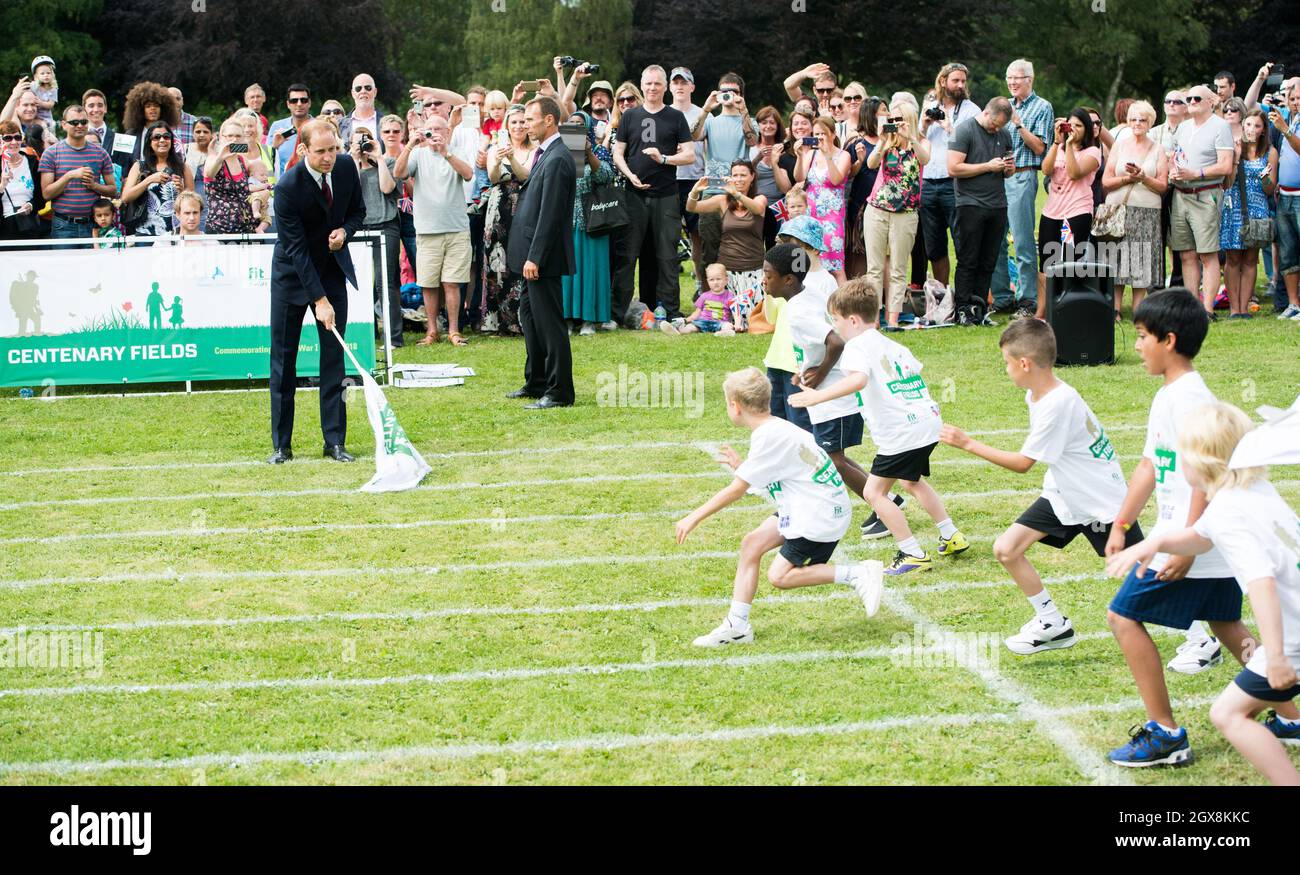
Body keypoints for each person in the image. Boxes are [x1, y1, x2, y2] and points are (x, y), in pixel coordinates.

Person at [1098, 291, 1275, 765]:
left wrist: (1188, 546)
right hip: (1197, 539)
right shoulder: (1170, 394)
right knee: (1226, 623)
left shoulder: (1190, 398)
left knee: (1121, 616)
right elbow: (1150, 465)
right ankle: (1291, 716)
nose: (1135, 346)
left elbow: (1206, 475)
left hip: (1190, 540)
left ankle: (1166, 732)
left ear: (1169, 340)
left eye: (1141, 336)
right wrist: (1123, 521)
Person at [1107, 401, 1300, 785]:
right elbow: (1199, 538)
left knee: (1227, 715)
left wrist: (1276, 657)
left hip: (1294, 638)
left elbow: (1261, 584)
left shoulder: (1229, 511)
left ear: (1201, 462)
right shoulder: (1248, 489)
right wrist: (1149, 545)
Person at [941, 318, 1135, 655]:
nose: (1006, 370)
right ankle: (1052, 622)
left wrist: (968, 443)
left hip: (1099, 502)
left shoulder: (1056, 404)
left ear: (1024, 363)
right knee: (1006, 549)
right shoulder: (1038, 394)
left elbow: (1023, 464)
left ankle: (1200, 639)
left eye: (1006, 363)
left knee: (1142, 573)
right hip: (1064, 496)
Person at [674, 366, 883, 647]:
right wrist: (743, 467)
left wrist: (693, 517)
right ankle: (737, 626)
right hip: (810, 506)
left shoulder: (768, 436)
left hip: (818, 516)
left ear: (735, 406)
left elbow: (737, 489)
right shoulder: (775, 429)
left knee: (780, 576)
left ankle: (858, 573)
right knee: (752, 544)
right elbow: (778, 474)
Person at [790, 278, 968, 576]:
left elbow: (858, 380)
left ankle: (911, 552)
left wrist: (818, 396)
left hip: (902, 433)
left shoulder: (856, 346)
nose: (835, 327)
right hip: (927, 422)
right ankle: (950, 534)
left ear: (853, 320)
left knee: (874, 493)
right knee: (911, 481)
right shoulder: (893, 344)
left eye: (835, 320)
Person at [268, 119, 366, 465]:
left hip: (332, 271)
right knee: (284, 360)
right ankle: (282, 445)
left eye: (333, 149)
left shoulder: (345, 168)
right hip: (292, 277)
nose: (329, 157)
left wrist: (345, 232)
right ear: (303, 150)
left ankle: (335, 442)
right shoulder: (288, 187)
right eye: (321, 151)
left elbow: (358, 212)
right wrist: (319, 300)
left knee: (333, 359)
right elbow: (296, 250)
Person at [505, 96, 576, 409]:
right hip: (530, 256)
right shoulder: (546, 154)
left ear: (549, 120)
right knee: (531, 321)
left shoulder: (559, 157)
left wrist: (535, 257)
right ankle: (536, 381)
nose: (526, 125)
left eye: (531, 119)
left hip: (543, 259)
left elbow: (551, 214)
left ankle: (559, 391)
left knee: (550, 324)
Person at [612, 65, 695, 322]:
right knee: (627, 255)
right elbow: (618, 153)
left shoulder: (675, 117)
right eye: (648, 83)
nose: (652, 88)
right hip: (633, 195)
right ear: (642, 84)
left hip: (666, 195)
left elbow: (689, 155)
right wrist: (629, 174)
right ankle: (618, 312)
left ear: (665, 86)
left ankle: (671, 311)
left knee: (668, 255)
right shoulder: (630, 116)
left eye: (657, 84)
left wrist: (664, 158)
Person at [394, 113, 473, 346]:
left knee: (451, 283)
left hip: (456, 228)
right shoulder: (417, 154)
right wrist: (410, 143)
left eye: (439, 129)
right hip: (427, 229)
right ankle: (432, 331)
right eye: (430, 129)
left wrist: (445, 152)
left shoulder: (454, 152)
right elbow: (398, 173)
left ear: (447, 132)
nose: (434, 133)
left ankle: (454, 330)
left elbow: (468, 174)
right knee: (428, 283)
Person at [988, 60, 1052, 315]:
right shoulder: (1003, 105)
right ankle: (1002, 297)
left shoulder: (1042, 107)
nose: (1012, 83)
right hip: (998, 177)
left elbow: (1040, 148)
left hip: (1023, 177)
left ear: (1030, 79)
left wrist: (1017, 123)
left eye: (1018, 78)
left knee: (1023, 242)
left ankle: (1027, 301)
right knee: (996, 240)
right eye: (1009, 78)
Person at [1170, 85, 1235, 317]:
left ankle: (1207, 308)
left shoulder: (1221, 126)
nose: (1192, 101)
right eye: (1188, 98)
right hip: (1181, 195)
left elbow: (1226, 166)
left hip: (1206, 193)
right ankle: (1192, 307)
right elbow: (1176, 155)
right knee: (1186, 254)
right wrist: (1173, 170)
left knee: (1208, 255)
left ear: (1211, 101)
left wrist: (1195, 173)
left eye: (1197, 98)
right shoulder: (1184, 127)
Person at [1098, 101, 1168, 319]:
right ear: (1127, 121)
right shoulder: (1119, 145)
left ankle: (1139, 309)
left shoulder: (1158, 149)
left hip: (1147, 211)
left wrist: (1143, 178)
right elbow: (1106, 181)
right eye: (1133, 119)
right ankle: (1115, 309)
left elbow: (1163, 186)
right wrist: (1128, 178)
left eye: (1142, 120)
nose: (1137, 123)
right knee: (1116, 258)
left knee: (1142, 260)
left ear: (1150, 123)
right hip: (1117, 209)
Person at [948, 97, 1015, 325]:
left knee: (989, 260)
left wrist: (1008, 169)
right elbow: (953, 168)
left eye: (1000, 126)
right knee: (968, 259)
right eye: (994, 124)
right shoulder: (964, 130)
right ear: (987, 113)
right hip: (970, 203)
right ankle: (963, 308)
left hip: (997, 203)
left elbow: (1008, 171)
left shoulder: (1004, 134)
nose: (996, 129)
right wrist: (987, 166)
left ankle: (980, 307)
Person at [1032, 107, 1102, 320]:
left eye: (1079, 126)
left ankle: (1066, 307)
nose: (1074, 129)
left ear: (1087, 129)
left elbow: (1074, 173)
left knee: (1070, 260)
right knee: (1045, 262)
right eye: (1071, 125)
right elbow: (1046, 170)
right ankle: (1042, 311)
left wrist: (1070, 145)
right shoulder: (1059, 147)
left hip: (1077, 211)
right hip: (1052, 211)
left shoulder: (1093, 152)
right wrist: (1056, 143)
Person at [865, 100, 930, 328]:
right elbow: (871, 164)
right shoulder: (886, 143)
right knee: (874, 268)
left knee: (898, 268)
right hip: (877, 209)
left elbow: (925, 160)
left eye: (899, 119)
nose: (895, 124)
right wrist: (883, 141)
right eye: (892, 119)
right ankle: (873, 320)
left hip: (906, 212)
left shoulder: (920, 142)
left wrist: (910, 137)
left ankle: (893, 319)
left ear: (910, 120)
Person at [684, 158, 767, 329]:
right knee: (724, 319)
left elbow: (757, 209)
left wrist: (737, 194)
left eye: (743, 175)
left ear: (752, 176)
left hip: (753, 271)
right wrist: (695, 190)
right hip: (728, 271)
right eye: (735, 175)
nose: (738, 179)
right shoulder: (722, 200)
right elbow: (692, 207)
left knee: (753, 321)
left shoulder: (760, 199)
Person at [691, 72, 759, 269]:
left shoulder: (748, 120)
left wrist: (743, 109)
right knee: (709, 250)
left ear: (741, 94)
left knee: (740, 248)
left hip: (740, 193)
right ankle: (710, 297)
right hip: (712, 191)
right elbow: (693, 135)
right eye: (724, 91)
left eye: (733, 91)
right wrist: (706, 108)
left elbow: (752, 140)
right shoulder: (710, 121)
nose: (729, 95)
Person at [921, 64, 980, 291]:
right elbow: (919, 140)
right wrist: (925, 124)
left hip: (954, 182)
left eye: (963, 81)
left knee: (961, 240)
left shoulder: (971, 110)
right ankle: (942, 293)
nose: (961, 85)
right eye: (956, 80)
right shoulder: (930, 105)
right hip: (929, 181)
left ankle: (965, 293)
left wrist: (949, 127)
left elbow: (973, 144)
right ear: (943, 81)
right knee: (934, 244)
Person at [562, 110, 615, 335]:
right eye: (571, 124)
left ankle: (589, 320)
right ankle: (566, 318)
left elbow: (605, 176)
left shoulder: (598, 150)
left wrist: (588, 152)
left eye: (580, 124)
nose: (575, 126)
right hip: (565, 221)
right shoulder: (559, 151)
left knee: (591, 269)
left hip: (592, 220)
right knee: (566, 272)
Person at [1221, 108, 1278, 318]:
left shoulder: (1270, 152)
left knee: (1251, 259)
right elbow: (1227, 183)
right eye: (1248, 125)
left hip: (1258, 209)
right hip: (1235, 207)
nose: (1251, 129)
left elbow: (1270, 189)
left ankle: (1244, 308)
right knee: (1233, 258)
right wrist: (1235, 158)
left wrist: (1265, 178)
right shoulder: (1235, 148)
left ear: (1263, 130)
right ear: (1242, 126)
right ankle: (1233, 308)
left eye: (1257, 126)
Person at [481, 104, 532, 336]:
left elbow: (525, 176)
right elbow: (493, 178)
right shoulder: (495, 147)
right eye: (514, 122)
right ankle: (497, 321)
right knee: (496, 262)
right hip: (499, 208)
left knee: (521, 259)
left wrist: (512, 158)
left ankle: (521, 319)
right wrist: (497, 159)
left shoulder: (535, 149)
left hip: (524, 205)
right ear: (507, 126)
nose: (519, 126)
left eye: (523, 121)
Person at [353, 126, 402, 348]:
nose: (363, 146)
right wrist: (354, 159)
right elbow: (349, 194)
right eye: (358, 142)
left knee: (385, 282)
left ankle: (393, 338)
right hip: (359, 228)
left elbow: (387, 187)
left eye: (366, 141)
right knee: (360, 283)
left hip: (386, 224)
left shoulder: (388, 162)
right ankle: (366, 334)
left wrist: (379, 157)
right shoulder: (347, 166)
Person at [38, 105, 118, 239]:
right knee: (64, 261)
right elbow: (46, 194)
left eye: (84, 122)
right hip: (63, 224)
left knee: (94, 261)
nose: (80, 125)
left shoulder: (100, 153)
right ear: (64, 125)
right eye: (74, 122)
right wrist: (70, 176)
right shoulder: (51, 153)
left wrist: (94, 186)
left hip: (93, 224)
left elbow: (113, 190)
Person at [795, 116, 851, 283]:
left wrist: (827, 155)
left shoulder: (844, 155)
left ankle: (843, 307)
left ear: (833, 134)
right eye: (816, 134)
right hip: (811, 217)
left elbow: (836, 180)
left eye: (823, 134)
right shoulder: (811, 154)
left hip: (832, 220)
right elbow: (799, 177)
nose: (819, 138)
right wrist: (799, 156)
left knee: (835, 267)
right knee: (809, 264)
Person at [120, 120, 192, 237]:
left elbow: (193, 203)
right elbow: (126, 197)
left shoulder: (183, 167)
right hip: (146, 232)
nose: (162, 140)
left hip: (176, 232)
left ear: (171, 141)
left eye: (166, 136)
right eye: (156, 137)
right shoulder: (139, 166)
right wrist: (149, 180)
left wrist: (182, 191)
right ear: (149, 142)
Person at [842, 98, 883, 280]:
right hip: (860, 207)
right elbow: (847, 175)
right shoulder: (856, 142)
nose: (887, 115)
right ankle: (855, 294)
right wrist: (859, 160)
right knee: (858, 254)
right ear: (871, 114)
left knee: (881, 256)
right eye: (883, 111)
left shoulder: (892, 141)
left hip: (885, 206)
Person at [1270, 83, 1300, 320]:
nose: (1296, 102)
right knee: (1288, 253)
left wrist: (1286, 131)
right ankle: (1293, 304)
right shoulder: (1290, 121)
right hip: (1285, 196)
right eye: (1293, 98)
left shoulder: (1288, 126)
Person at [202, 118, 258, 234]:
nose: (234, 139)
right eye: (230, 136)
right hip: (219, 228)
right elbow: (210, 174)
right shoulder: (213, 158)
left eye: (238, 136)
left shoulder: (244, 161)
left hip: (245, 227)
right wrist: (221, 156)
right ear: (221, 137)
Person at [748, 106, 787, 252]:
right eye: (764, 122)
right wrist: (758, 157)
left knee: (775, 247)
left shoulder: (784, 148)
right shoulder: (751, 148)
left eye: (772, 122)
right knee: (755, 246)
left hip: (779, 207)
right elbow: (745, 173)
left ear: (778, 126)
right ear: (758, 125)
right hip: (757, 204)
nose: (768, 126)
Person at [661, 263, 736, 335]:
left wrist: (738, 324)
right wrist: (685, 320)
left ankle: (724, 332)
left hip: (720, 323)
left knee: (728, 325)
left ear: (726, 280)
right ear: (708, 281)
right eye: (712, 280)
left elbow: (735, 312)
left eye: (718, 279)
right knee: (691, 327)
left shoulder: (729, 296)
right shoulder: (704, 296)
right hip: (703, 322)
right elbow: (697, 313)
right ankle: (678, 331)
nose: (715, 282)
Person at [0, 119, 44, 240]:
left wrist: (31, 205)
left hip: (28, 226)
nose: (14, 142)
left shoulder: (32, 161)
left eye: (17, 137)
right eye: (8, 138)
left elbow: (41, 196)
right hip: (3, 228)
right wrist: (2, 186)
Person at [120, 82, 182, 166]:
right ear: (140, 110)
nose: (152, 109)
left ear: (163, 109)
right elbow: (123, 163)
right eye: (148, 106)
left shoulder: (170, 135)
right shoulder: (129, 135)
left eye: (156, 106)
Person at [272, 85, 314, 177]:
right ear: (288, 104)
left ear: (309, 103)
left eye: (303, 100)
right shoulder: (277, 126)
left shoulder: (318, 126)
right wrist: (274, 147)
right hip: (283, 184)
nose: (299, 104)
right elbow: (266, 161)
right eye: (294, 101)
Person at [341, 73, 386, 142]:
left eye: (368, 88)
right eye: (358, 89)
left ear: (375, 92)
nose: (363, 91)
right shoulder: (341, 126)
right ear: (353, 93)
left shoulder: (386, 123)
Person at [28, 56, 57, 129]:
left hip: (46, 118)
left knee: (51, 127)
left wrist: (41, 103)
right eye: (42, 73)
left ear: (52, 74)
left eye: (48, 73)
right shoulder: (34, 86)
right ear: (36, 76)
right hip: (34, 116)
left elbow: (51, 104)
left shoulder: (53, 88)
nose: (46, 75)